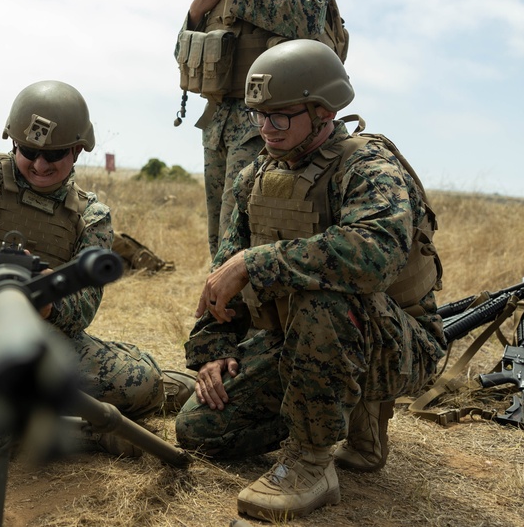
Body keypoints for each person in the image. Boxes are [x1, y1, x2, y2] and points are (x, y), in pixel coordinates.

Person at [174, 41, 445, 521]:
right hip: (295, 340)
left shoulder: (367, 167)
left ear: (322, 111)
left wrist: (259, 263)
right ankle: (340, 413)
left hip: (391, 340)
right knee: (200, 430)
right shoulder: (255, 177)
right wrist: (215, 351)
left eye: (280, 117)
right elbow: (224, 278)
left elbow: (373, 257)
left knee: (323, 296)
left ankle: (312, 461)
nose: (266, 129)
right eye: (259, 116)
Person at [0, 80, 195, 463]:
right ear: (13, 141)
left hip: (43, 345)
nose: (40, 164)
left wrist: (49, 303)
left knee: (142, 385)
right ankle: (85, 431)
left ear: (79, 149)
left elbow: (84, 304)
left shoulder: (90, 215)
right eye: (29, 151)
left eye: (55, 154)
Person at [174, 0, 348, 259]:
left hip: (274, 120)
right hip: (219, 124)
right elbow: (189, 60)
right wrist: (194, 16)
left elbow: (306, 17)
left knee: (254, 234)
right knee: (221, 240)